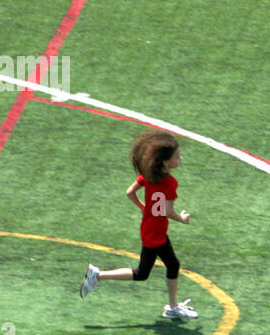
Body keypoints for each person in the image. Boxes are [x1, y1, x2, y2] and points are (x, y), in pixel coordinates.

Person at [79, 130, 198, 320]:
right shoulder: (169, 182)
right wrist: (182, 218)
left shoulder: (148, 176)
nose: (180, 159)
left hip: (150, 228)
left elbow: (129, 192)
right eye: (177, 156)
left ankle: (173, 306)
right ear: (166, 162)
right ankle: (98, 276)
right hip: (156, 234)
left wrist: (144, 208)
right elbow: (167, 211)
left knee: (168, 266)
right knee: (148, 272)